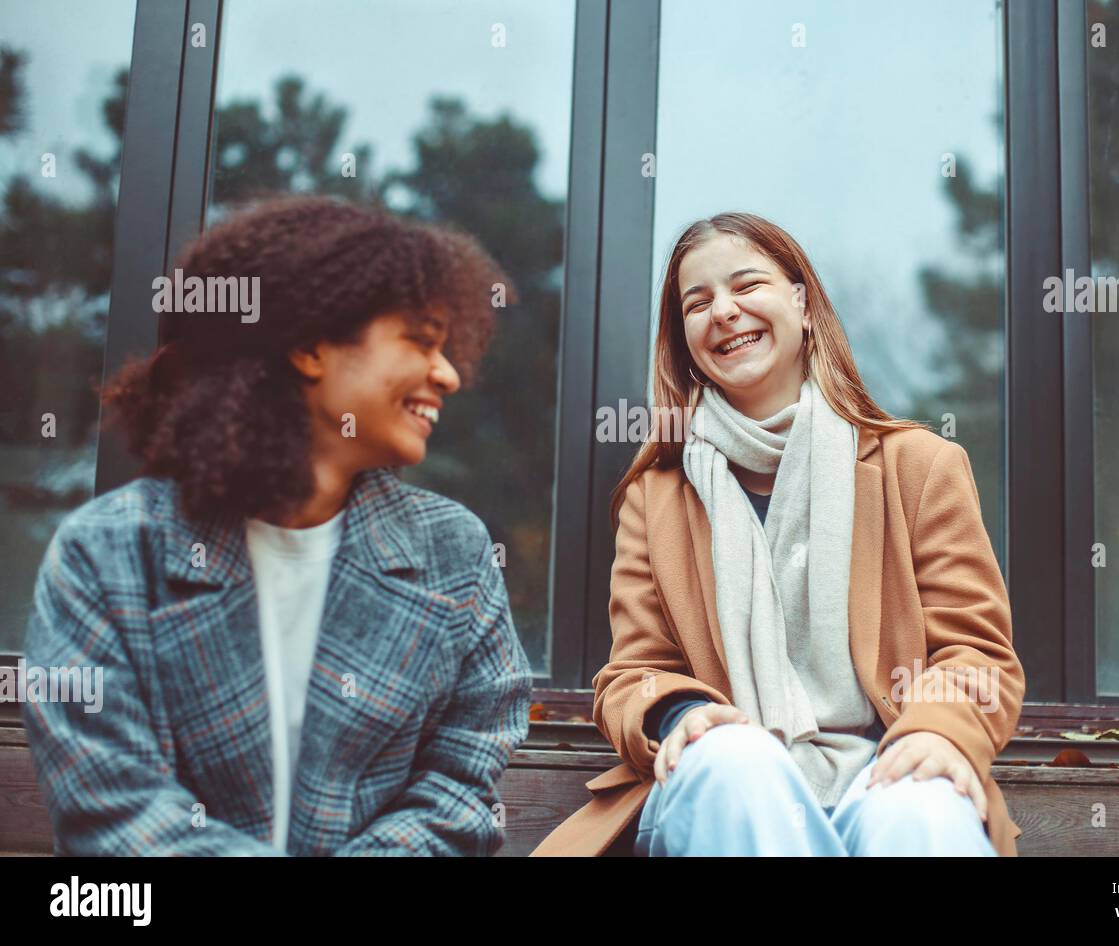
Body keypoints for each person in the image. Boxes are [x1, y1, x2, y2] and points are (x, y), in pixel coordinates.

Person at [21, 195, 532, 855]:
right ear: (310, 346)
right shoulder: (108, 554)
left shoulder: (454, 555)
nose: (449, 374)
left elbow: (461, 788)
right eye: (422, 340)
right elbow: (113, 811)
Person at [533, 211, 1025, 856]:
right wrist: (682, 716)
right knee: (738, 760)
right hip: (723, 792)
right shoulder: (655, 497)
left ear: (801, 302)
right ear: (684, 340)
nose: (725, 312)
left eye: (746, 286)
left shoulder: (919, 465)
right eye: (698, 302)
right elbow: (634, 675)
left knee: (921, 809)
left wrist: (938, 731)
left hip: (878, 771)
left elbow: (976, 655)